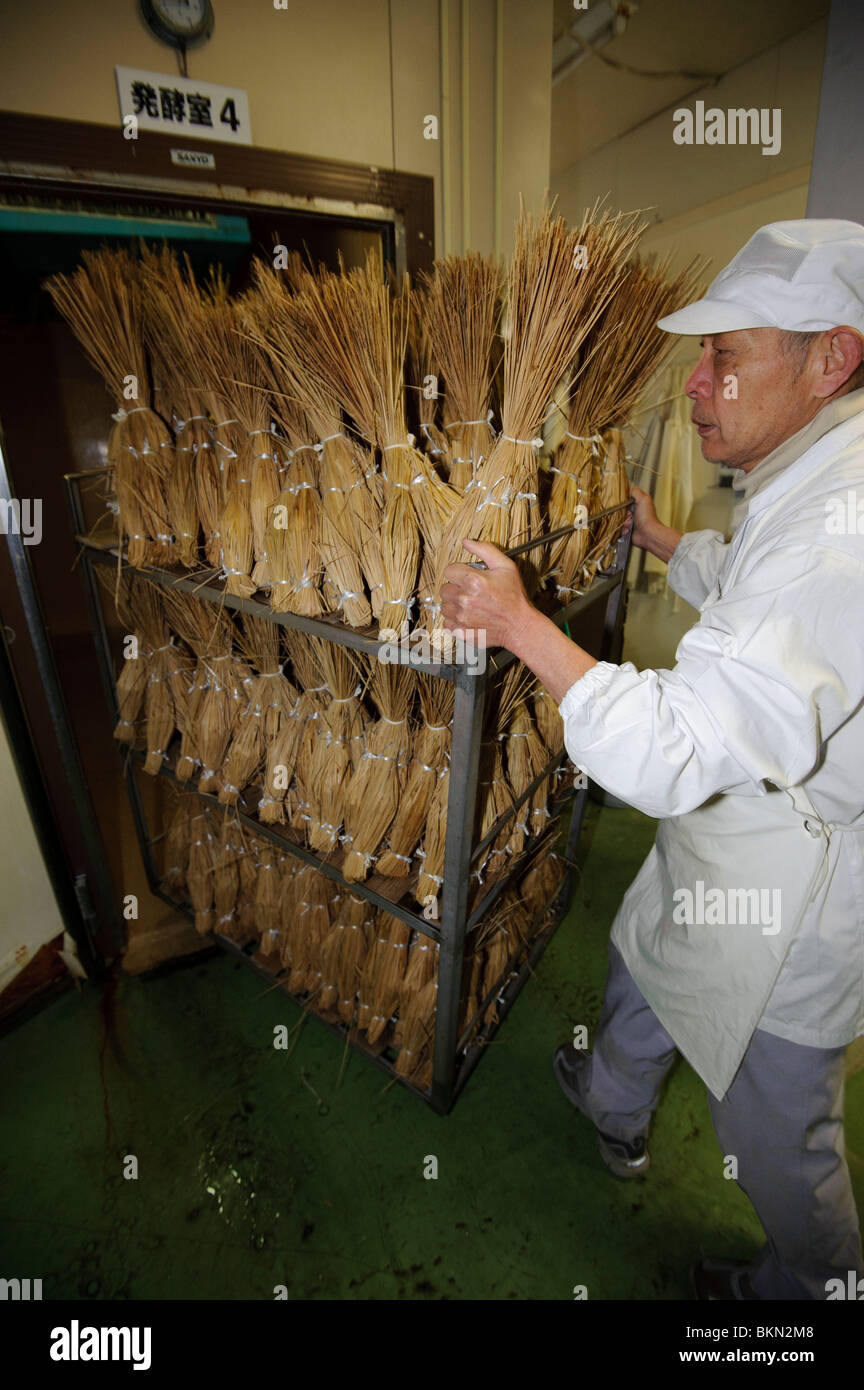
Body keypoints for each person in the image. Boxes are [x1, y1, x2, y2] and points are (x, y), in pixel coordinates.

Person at [440, 219, 864, 1302]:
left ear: (832, 358)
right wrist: (671, 542)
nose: (696, 382)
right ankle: (613, 1104)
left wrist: (520, 624)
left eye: (728, 357)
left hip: (796, 892)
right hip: (730, 836)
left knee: (772, 1120)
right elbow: (754, 599)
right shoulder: (811, 476)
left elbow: (677, 745)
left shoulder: (840, 532)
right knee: (647, 947)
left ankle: (812, 1287)